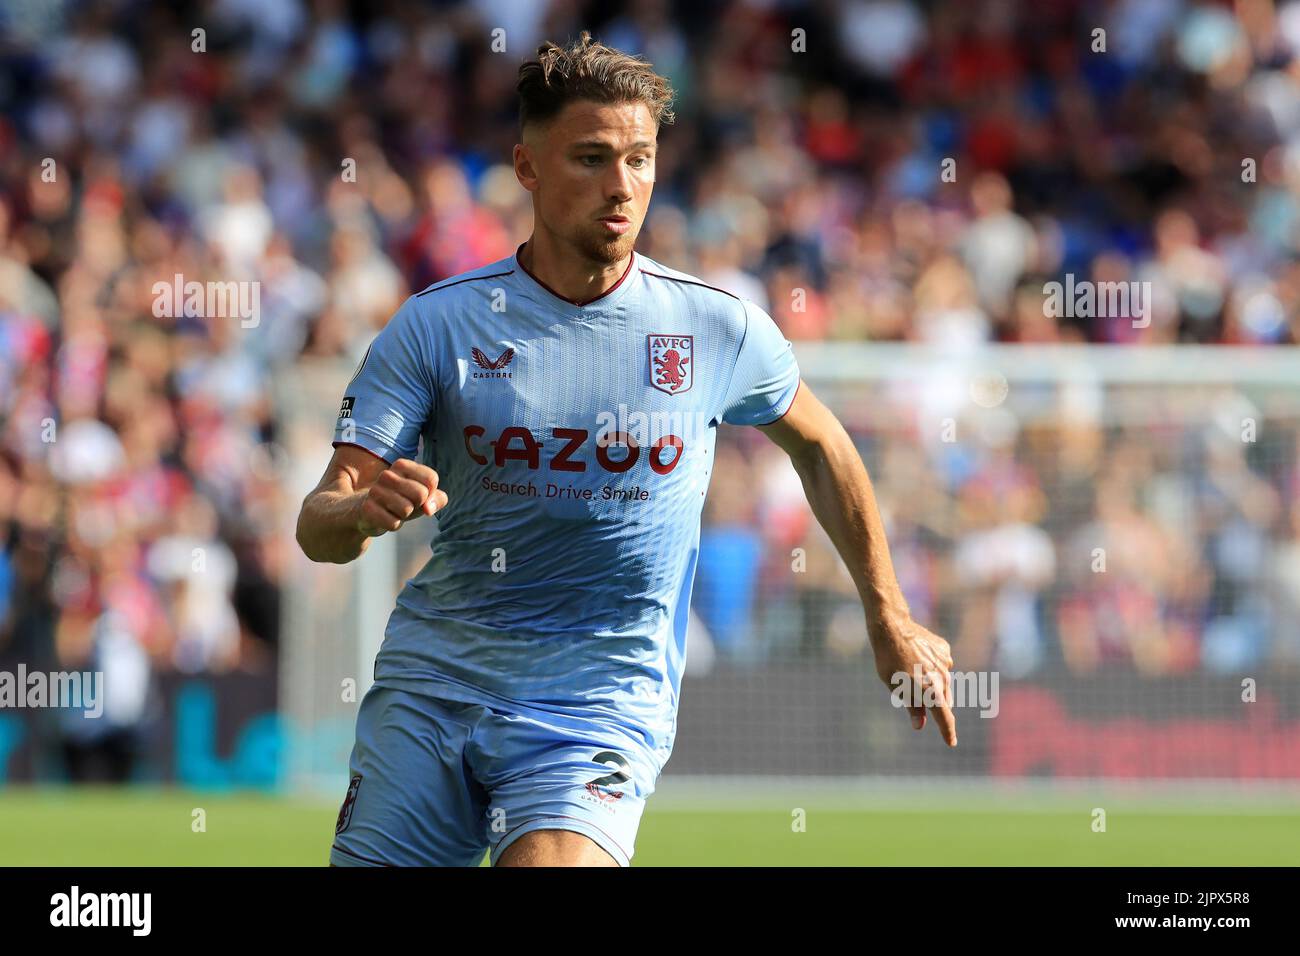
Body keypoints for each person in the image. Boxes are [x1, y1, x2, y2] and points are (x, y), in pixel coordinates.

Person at [296, 32, 956, 868]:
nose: (622, 186)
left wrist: (886, 611)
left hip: (597, 704)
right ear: (527, 168)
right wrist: (359, 511)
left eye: (639, 159)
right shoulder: (438, 326)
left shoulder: (714, 328)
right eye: (592, 158)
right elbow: (316, 525)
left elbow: (823, 446)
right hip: (436, 685)